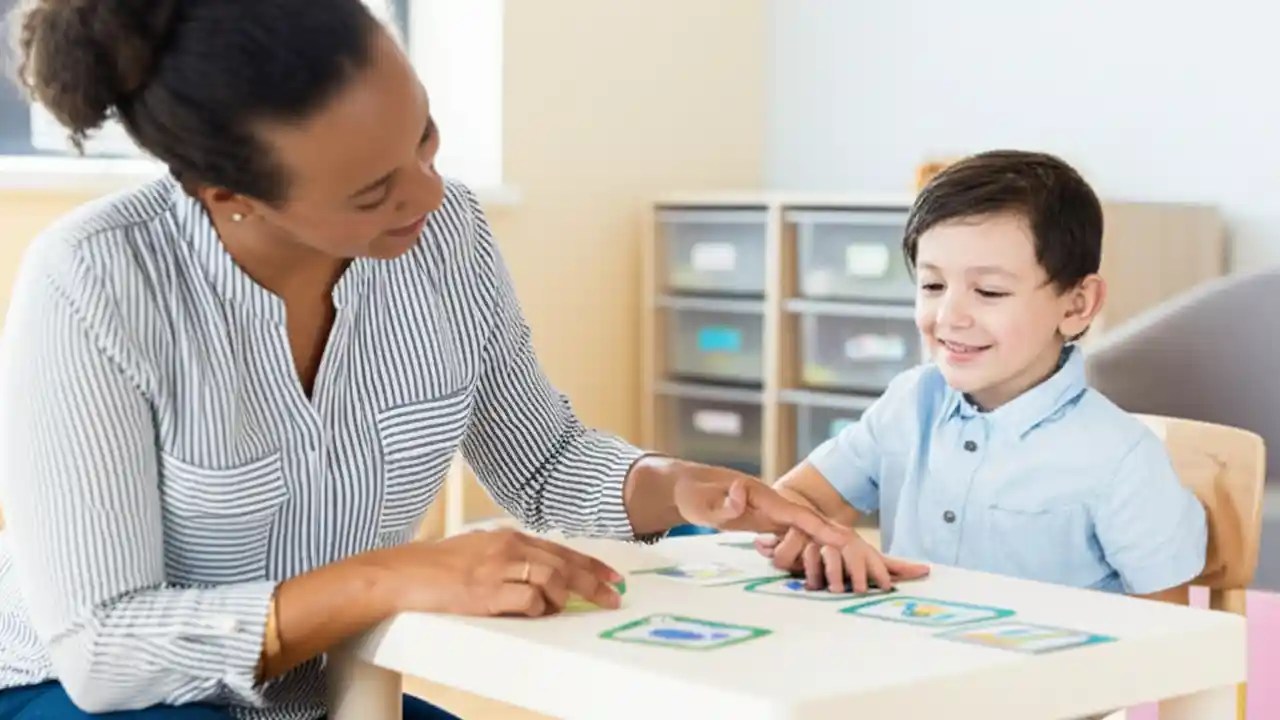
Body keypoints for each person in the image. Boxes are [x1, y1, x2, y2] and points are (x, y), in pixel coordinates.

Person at [0, 1, 852, 718]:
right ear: (231, 197)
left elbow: (545, 462)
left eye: (426, 136)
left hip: (320, 688)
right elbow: (103, 648)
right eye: (372, 192)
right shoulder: (96, 279)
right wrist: (392, 577)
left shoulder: (446, 234)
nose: (427, 193)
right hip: (81, 693)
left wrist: (673, 487)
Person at [759, 150, 1207, 603]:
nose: (949, 316)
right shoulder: (911, 401)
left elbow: (1171, 634)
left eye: (989, 291)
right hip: (908, 661)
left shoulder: (1120, 457)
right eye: (932, 285)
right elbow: (796, 498)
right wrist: (821, 539)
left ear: (1075, 305)